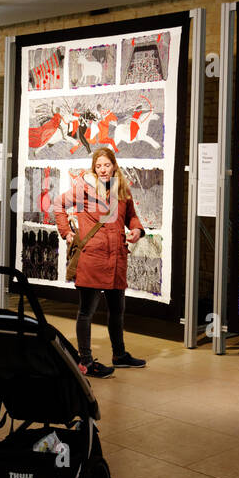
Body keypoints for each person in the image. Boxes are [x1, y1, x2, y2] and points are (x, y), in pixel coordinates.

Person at [55, 146, 146, 379]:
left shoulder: (122, 190)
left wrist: (136, 230)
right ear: (93, 169)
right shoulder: (83, 189)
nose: (103, 169)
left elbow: (132, 217)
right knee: (86, 311)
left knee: (117, 311)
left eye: (106, 165)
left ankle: (119, 355)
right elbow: (58, 205)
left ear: (114, 165)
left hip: (116, 258)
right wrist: (66, 232)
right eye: (99, 166)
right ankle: (85, 362)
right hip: (92, 258)